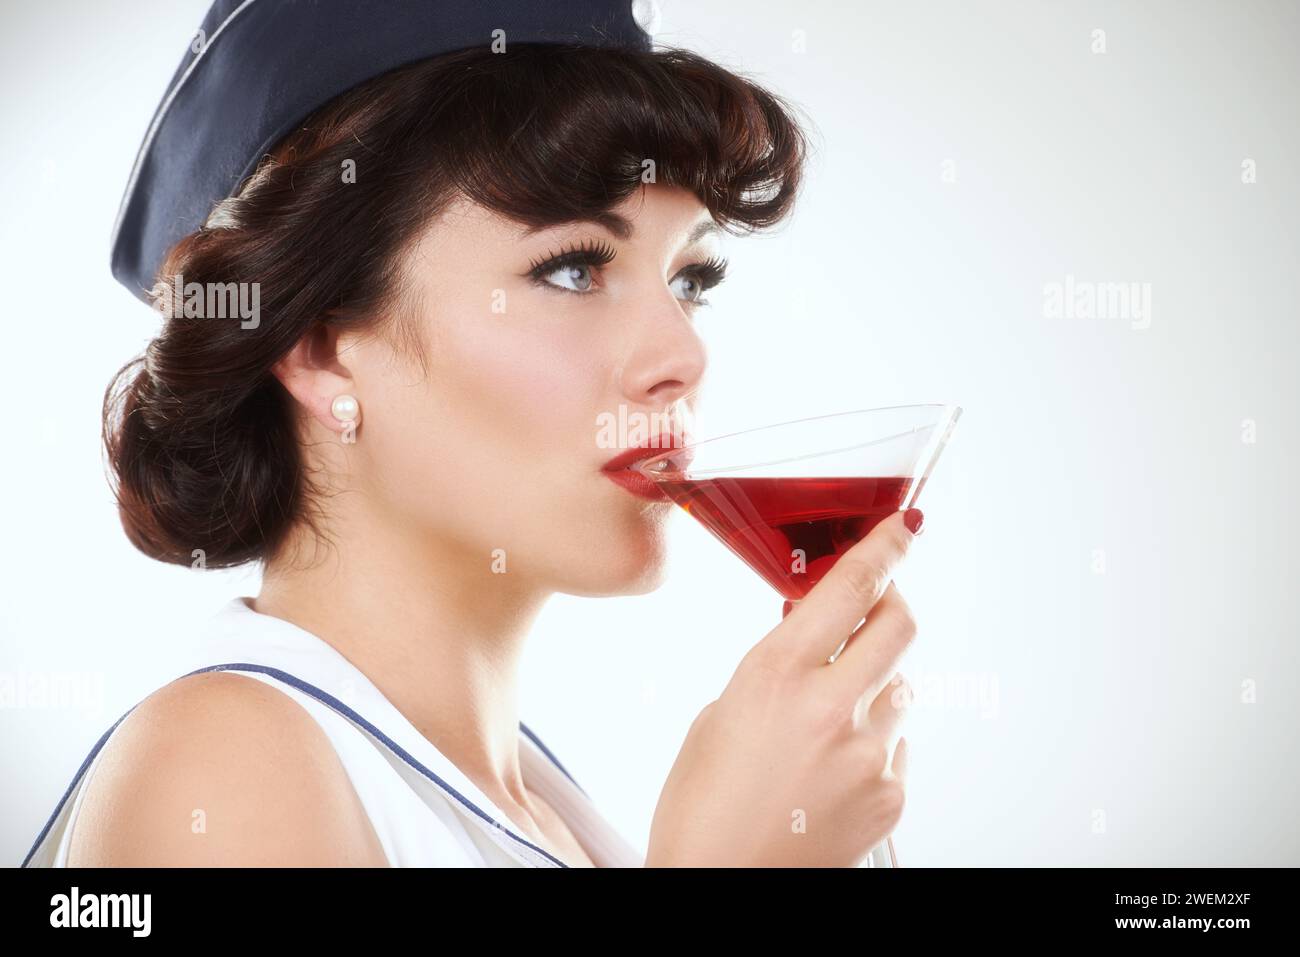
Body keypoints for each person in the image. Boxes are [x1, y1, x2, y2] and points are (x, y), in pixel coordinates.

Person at [23, 0, 919, 868]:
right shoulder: (224, 770)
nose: (682, 354)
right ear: (325, 351)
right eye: (572, 269)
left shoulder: (539, 802)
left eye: (688, 280)